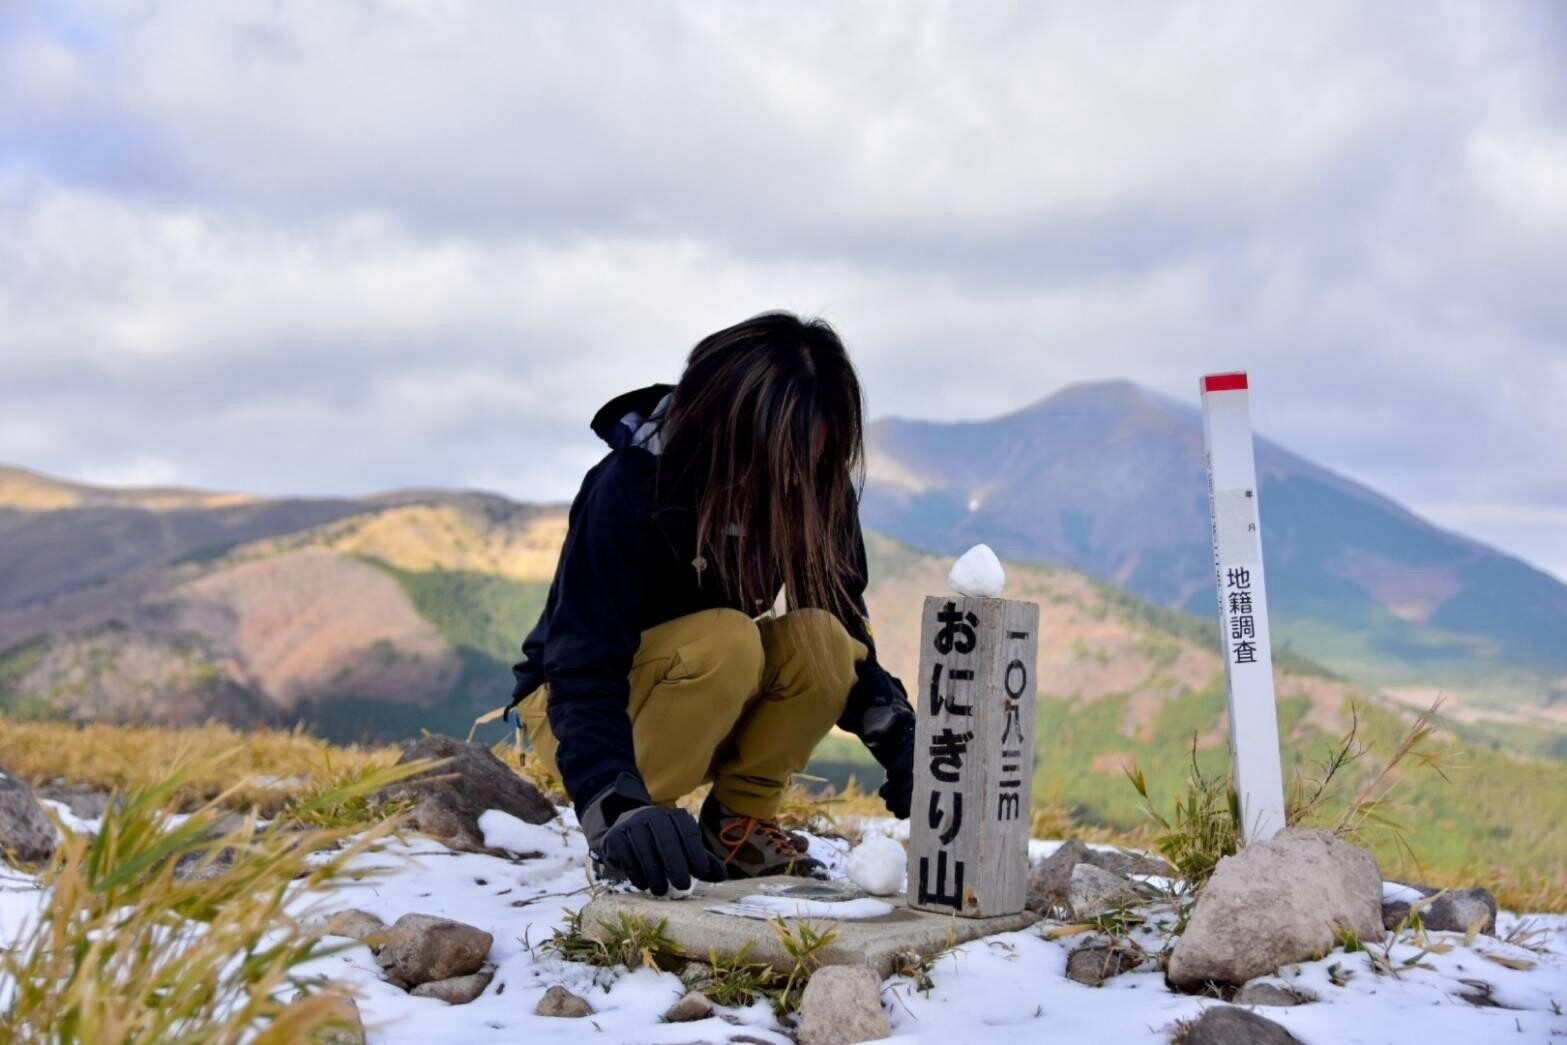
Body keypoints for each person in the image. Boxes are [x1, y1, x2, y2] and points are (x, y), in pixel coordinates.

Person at [508, 312, 915, 897]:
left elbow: (847, 639)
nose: (792, 481)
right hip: (575, 712)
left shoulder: (814, 487)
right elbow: (582, 666)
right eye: (775, 458)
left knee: (821, 641)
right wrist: (614, 807)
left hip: (697, 692)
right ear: (718, 425)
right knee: (728, 639)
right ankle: (649, 828)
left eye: (812, 459)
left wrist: (901, 735)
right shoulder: (631, 484)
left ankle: (738, 827)